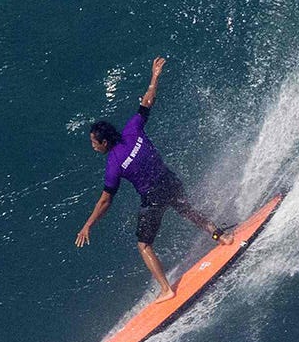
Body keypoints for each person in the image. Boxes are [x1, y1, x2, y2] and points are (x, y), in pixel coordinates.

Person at [74, 57, 231, 300]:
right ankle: (220, 236)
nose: (93, 147)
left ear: (104, 142)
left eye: (94, 143)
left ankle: (167, 290)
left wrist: (88, 224)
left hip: (153, 197)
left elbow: (105, 201)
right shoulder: (132, 129)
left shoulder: (113, 163)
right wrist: (154, 77)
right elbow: (148, 101)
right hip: (170, 180)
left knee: (144, 245)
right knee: (188, 211)